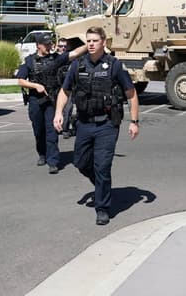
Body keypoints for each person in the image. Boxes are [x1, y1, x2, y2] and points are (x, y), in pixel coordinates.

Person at [53, 26, 140, 225]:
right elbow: (65, 92)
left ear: (104, 42)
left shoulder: (114, 65)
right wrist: (58, 113)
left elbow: (131, 94)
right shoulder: (78, 66)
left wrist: (134, 122)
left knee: (102, 165)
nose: (91, 44)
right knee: (80, 162)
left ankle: (102, 208)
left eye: (95, 41)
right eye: (88, 41)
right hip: (83, 123)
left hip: (107, 124)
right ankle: (102, 185)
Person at [15, 33, 85, 174]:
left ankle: (53, 161)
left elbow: (75, 53)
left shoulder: (56, 59)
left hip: (51, 100)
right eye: (46, 44)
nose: (49, 46)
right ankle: (42, 154)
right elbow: (20, 80)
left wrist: (88, 44)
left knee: (52, 130)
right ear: (38, 46)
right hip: (36, 100)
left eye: (50, 44)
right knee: (38, 130)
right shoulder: (29, 61)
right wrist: (36, 86)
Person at [55, 38, 76, 139]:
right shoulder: (53, 58)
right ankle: (56, 127)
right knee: (56, 109)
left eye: (65, 46)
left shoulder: (71, 58)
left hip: (68, 87)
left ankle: (65, 129)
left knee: (68, 109)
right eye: (60, 46)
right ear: (57, 47)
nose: (63, 48)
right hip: (55, 87)